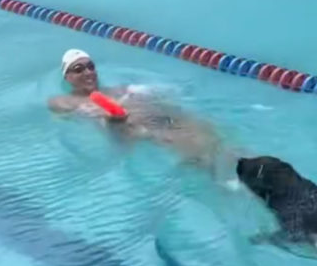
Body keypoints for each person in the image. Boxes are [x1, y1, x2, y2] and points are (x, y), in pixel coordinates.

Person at [48, 48, 237, 181]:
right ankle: (219, 178)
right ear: (67, 77)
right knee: (188, 148)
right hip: (130, 127)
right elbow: (59, 110)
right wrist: (91, 110)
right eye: (79, 69)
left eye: (90, 66)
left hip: (158, 116)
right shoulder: (65, 101)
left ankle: (237, 165)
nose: (88, 72)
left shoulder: (119, 89)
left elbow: (163, 93)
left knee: (206, 131)